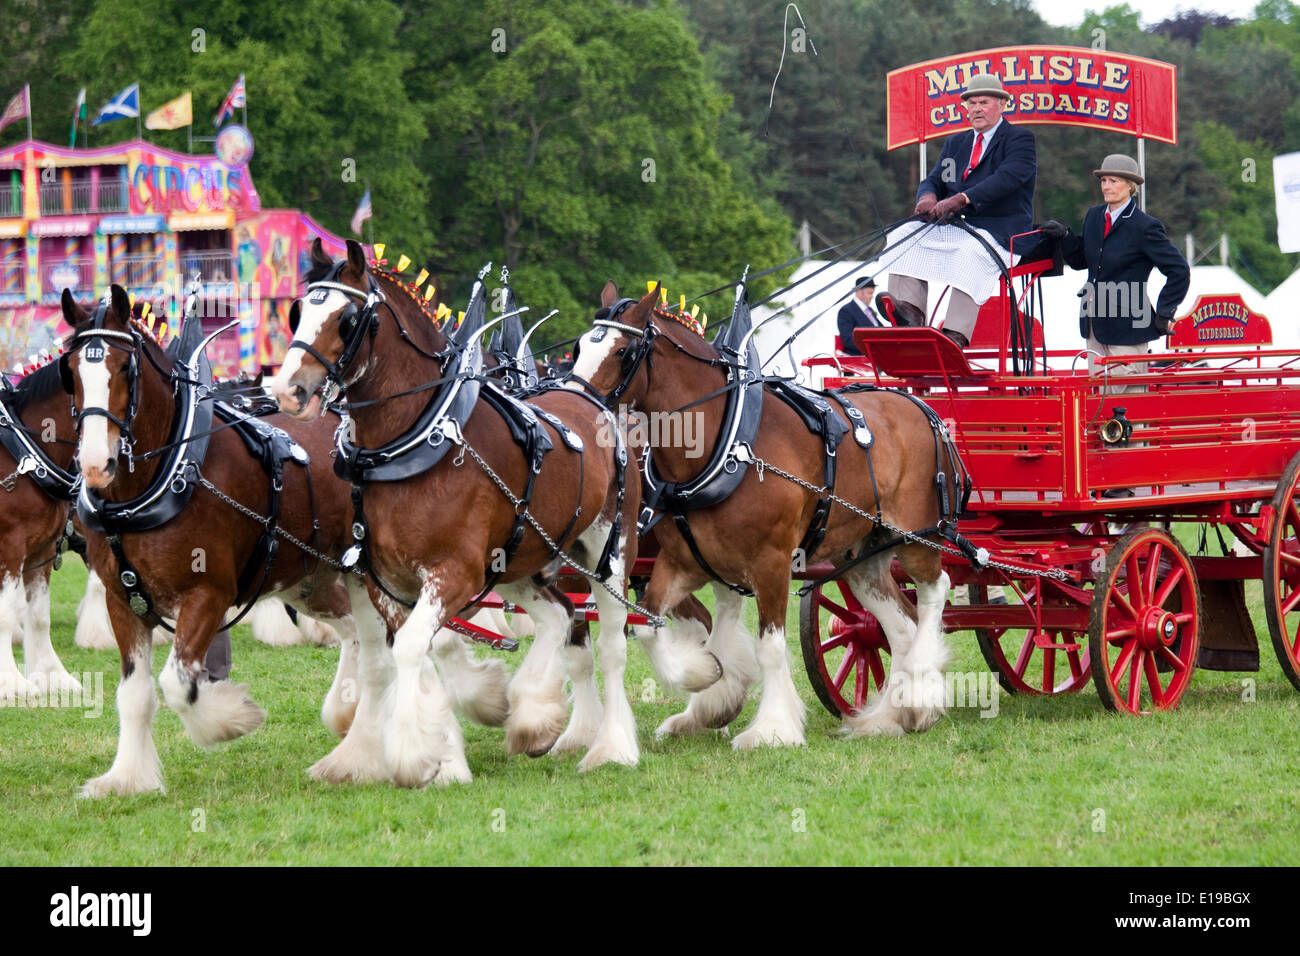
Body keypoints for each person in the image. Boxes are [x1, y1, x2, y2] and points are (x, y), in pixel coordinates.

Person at [877, 73, 1037, 348]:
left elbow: (1008, 178)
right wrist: (927, 197)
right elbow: (935, 179)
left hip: (998, 229)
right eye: (971, 103)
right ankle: (909, 313)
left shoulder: (1019, 139)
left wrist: (961, 198)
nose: (976, 108)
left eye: (983, 102)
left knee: (970, 254)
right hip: (957, 226)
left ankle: (955, 335)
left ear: (1002, 104)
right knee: (903, 234)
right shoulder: (957, 143)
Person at [1042, 153, 1190, 393]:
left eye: (1113, 181)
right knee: (1099, 401)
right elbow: (1081, 261)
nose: (1106, 186)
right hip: (1094, 321)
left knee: (1127, 404)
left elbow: (1179, 270)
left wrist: (1165, 311)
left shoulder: (1145, 226)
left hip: (1130, 325)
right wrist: (1066, 237)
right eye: (1103, 181)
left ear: (1130, 186)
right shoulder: (1094, 217)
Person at [836, 276, 884, 355]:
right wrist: (873, 345)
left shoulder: (870, 310)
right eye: (869, 293)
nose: (872, 297)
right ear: (859, 291)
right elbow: (847, 339)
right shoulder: (846, 311)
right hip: (860, 357)